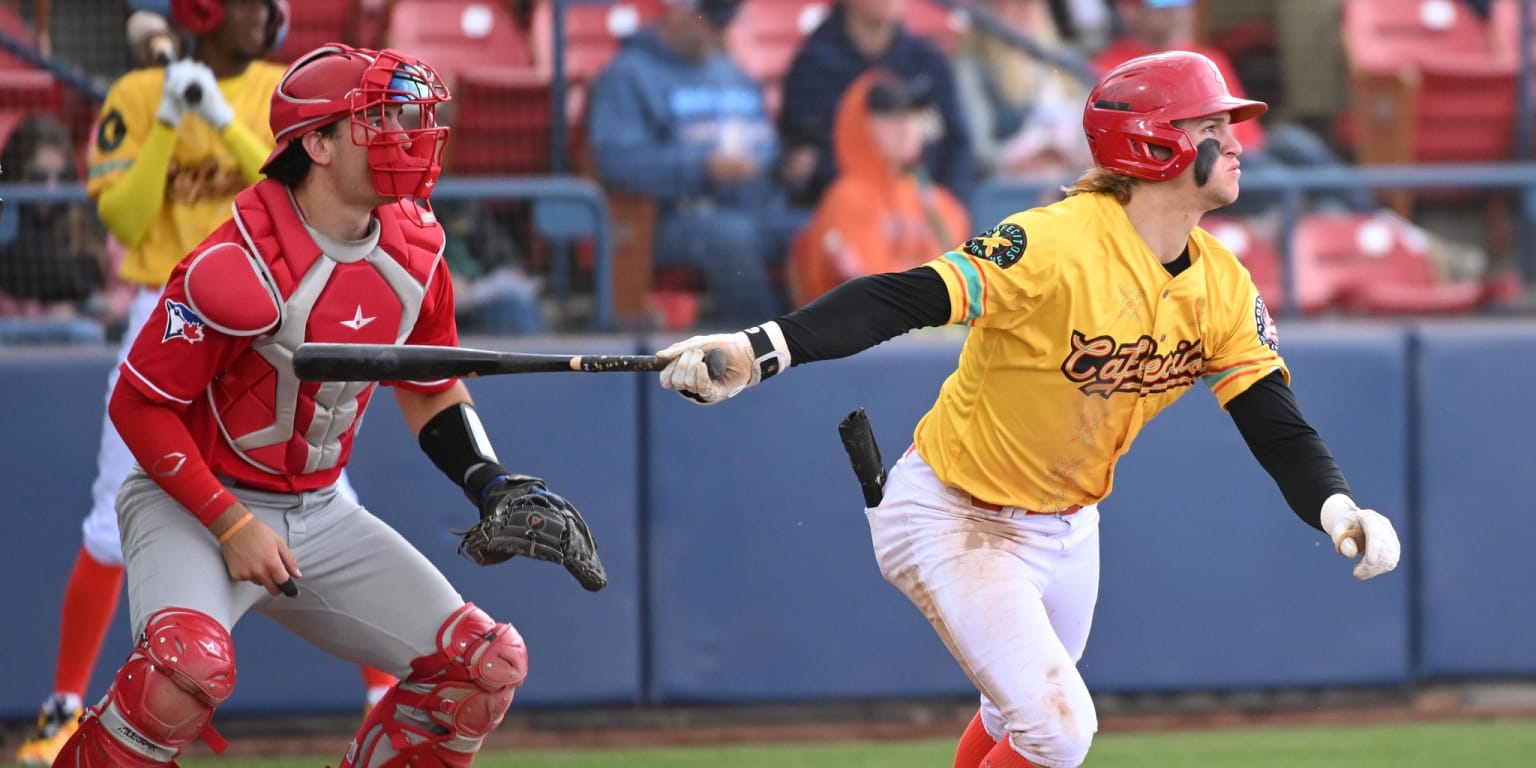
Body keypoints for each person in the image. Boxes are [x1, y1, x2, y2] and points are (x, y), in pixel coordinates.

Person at [653, 50, 1402, 768]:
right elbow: (906, 296)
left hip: (1070, 524)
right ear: (1154, 144)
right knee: (1060, 731)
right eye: (1212, 128)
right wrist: (758, 349)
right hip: (955, 513)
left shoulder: (1223, 285)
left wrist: (1338, 507)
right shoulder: (1054, 242)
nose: (1236, 144)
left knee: (1015, 721)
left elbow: (1274, 422)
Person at [52, 41, 603, 767]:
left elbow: (432, 383)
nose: (405, 135)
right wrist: (231, 523)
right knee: (183, 673)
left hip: (319, 505)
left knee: (482, 668)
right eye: (378, 119)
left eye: (406, 117)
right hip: (193, 502)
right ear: (316, 143)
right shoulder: (236, 262)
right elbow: (138, 405)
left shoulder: (417, 250)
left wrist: (489, 481)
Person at [11, 3, 398, 764]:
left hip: (273, 309)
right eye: (251, 3)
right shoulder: (135, 97)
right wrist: (165, 121)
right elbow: (124, 220)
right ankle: (62, 709)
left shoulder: (287, 90)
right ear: (206, 11)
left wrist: (218, 119)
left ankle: (384, 695)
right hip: (169, 311)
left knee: (320, 489)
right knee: (113, 507)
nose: (269, 15)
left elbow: (295, 198)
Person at [586, 0, 787, 326]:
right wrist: (701, 167)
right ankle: (766, 350)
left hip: (751, 205)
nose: (720, 33)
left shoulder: (730, 71)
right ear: (678, 11)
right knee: (732, 237)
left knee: (813, 227)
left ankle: (832, 347)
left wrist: (782, 164)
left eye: (725, 23)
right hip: (666, 218)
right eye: (712, 21)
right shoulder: (629, 74)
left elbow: (767, 143)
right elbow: (618, 163)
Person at [1094, 0, 1378, 215]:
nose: (1179, 9)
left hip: (1242, 159)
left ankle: (1378, 219)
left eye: (1184, 1)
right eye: (1163, 2)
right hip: (1190, 169)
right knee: (1274, 179)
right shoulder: (1111, 70)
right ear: (1129, 11)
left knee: (1293, 142)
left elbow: (1246, 131)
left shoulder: (1208, 58)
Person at [787, 69, 970, 307]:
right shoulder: (847, 198)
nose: (906, 125)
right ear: (861, 125)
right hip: (863, 328)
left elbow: (962, 289)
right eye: (889, 116)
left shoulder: (940, 202)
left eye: (912, 114)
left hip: (929, 326)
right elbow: (875, 293)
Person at [778, 0, 974, 210]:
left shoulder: (928, 61)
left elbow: (955, 145)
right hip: (844, 210)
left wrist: (948, 208)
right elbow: (806, 159)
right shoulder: (813, 65)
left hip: (924, 209)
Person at [951, 0, 1094, 180]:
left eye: (1033, 3)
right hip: (1012, 184)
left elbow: (1092, 131)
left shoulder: (1066, 58)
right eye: (1015, 3)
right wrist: (1023, 159)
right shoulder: (974, 67)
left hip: (1074, 174)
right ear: (991, 8)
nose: (1026, 9)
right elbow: (980, 151)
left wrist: (1078, 157)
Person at [0, 113, 111, 346]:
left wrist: (102, 308)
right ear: (17, 175)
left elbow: (114, 290)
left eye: (62, 177)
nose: (52, 189)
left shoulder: (83, 218)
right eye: (39, 178)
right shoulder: (6, 218)